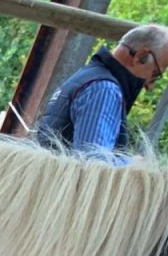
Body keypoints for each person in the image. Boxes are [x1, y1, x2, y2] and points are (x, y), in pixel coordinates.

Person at [36, 23, 168, 158]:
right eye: (155, 74)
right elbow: (93, 161)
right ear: (140, 56)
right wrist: (133, 164)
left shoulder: (88, 77)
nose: (149, 86)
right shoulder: (104, 89)